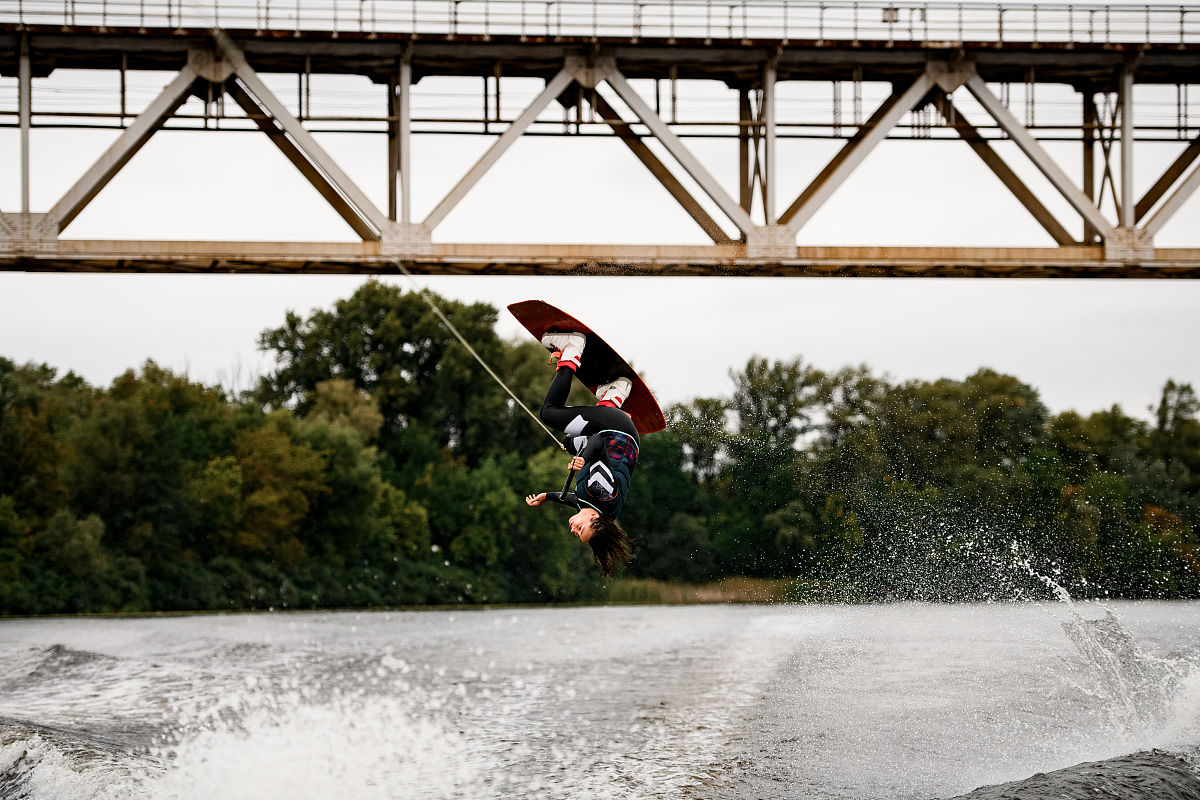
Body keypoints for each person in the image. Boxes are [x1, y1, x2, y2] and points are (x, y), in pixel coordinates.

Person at [524, 331, 638, 576]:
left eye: (577, 535)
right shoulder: (604, 493)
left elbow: (573, 499)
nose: (574, 531)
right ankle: (572, 350)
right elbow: (596, 442)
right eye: (581, 531)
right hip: (613, 430)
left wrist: (546, 496)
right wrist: (583, 459)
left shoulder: (597, 505)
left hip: (618, 434)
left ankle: (615, 393)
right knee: (550, 413)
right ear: (595, 520)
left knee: (569, 441)